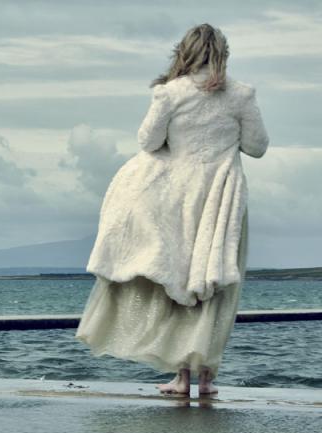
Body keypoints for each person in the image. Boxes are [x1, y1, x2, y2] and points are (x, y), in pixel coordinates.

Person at [74, 23, 269, 397]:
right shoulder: (241, 95)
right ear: (222, 54)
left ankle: (182, 377)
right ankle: (207, 377)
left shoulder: (169, 94)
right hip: (220, 199)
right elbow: (257, 147)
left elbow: (148, 141)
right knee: (215, 286)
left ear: (183, 52)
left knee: (180, 283)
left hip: (176, 201)